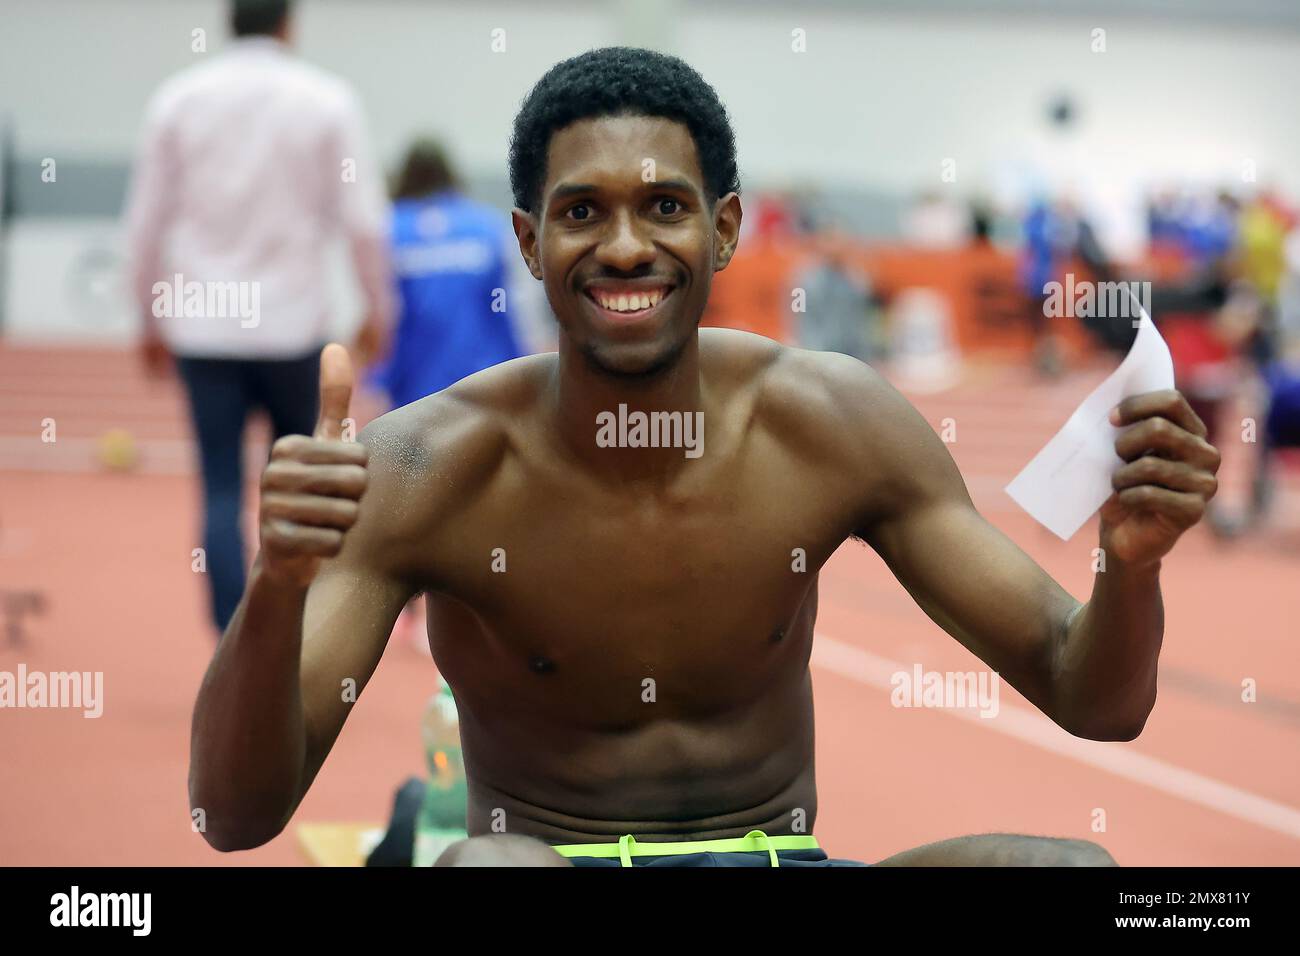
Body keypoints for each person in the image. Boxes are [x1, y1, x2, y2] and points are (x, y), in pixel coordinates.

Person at [190, 47, 1220, 867]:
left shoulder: (833, 422)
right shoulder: (425, 467)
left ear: (724, 228)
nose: (627, 245)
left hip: (778, 857)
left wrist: (1127, 567)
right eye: (582, 210)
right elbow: (231, 815)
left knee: (1073, 874)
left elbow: (1094, 698)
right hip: (552, 860)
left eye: (664, 206)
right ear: (528, 239)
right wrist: (277, 587)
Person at [123, 0, 394, 635]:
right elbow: (365, 224)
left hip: (205, 328)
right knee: (303, 487)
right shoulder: (328, 101)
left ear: (229, 23)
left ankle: (230, 639)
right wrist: (378, 310)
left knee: (220, 487)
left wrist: (149, 318)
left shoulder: (176, 101)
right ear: (287, 25)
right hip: (292, 330)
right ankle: (294, 626)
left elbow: (143, 227)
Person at [371, 138, 544, 410]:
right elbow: (519, 314)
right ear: (452, 176)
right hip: (484, 389)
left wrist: (375, 383)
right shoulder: (488, 227)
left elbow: (378, 317)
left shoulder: (386, 231)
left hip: (411, 398)